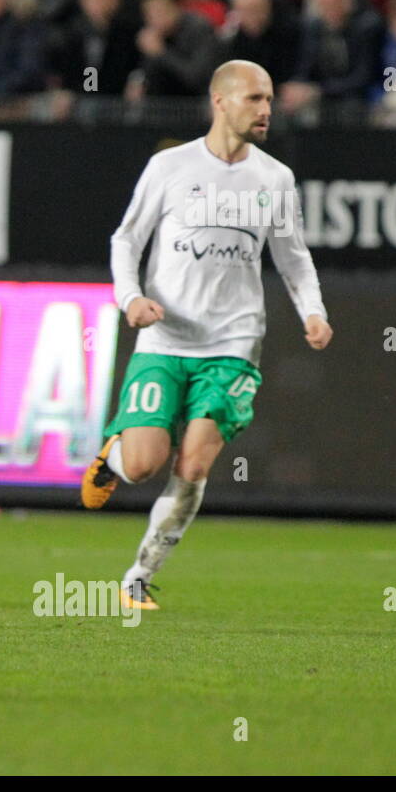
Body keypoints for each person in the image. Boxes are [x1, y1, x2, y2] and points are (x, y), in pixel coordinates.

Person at [80, 59, 333, 610]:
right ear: (220, 101)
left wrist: (312, 312)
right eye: (254, 99)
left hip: (234, 344)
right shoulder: (170, 166)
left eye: (269, 100)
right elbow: (126, 239)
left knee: (193, 464)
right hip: (166, 339)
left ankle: (138, 577)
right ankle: (112, 456)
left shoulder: (275, 178)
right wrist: (130, 299)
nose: (266, 110)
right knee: (144, 464)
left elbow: (293, 259)